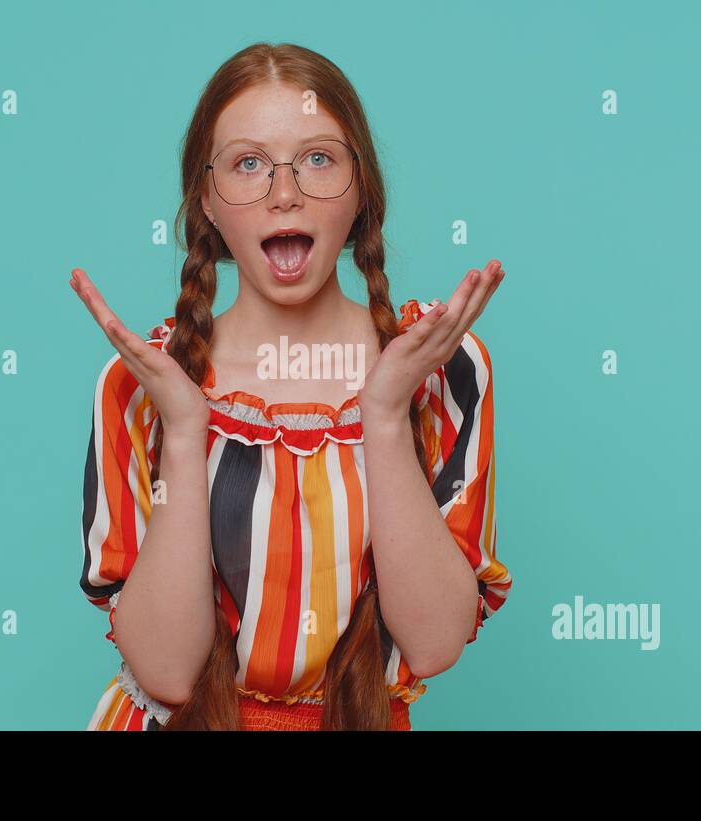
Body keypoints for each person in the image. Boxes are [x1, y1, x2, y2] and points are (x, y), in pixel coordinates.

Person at [70, 42, 510, 730]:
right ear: (207, 202)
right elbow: (166, 670)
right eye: (248, 163)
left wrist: (387, 416)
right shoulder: (142, 385)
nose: (285, 192)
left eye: (318, 159)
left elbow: (434, 641)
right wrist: (185, 434)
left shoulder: (440, 368)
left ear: (363, 190)